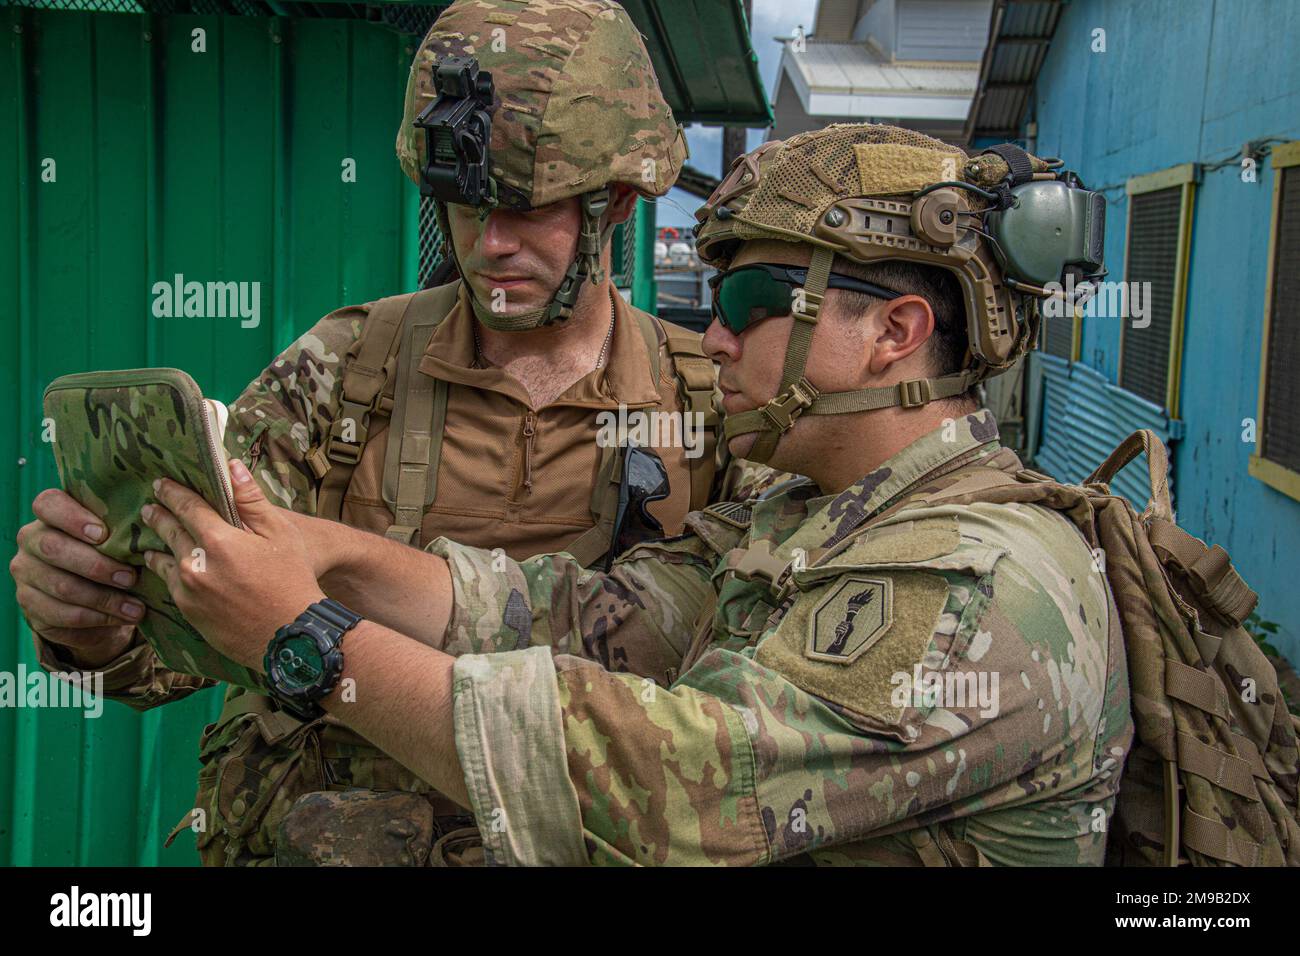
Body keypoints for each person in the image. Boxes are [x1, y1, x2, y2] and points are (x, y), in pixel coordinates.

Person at [131, 123, 1135, 865]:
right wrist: (319, 549)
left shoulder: (974, 584)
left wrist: (305, 640)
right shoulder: (798, 516)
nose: (720, 335)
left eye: (750, 299)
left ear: (896, 331)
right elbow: (569, 615)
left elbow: (673, 788)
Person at [12, 0, 781, 866]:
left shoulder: (720, 401)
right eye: (462, 203)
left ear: (619, 200)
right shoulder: (344, 368)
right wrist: (91, 625)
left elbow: (753, 698)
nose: (490, 244)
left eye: (528, 209)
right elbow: (183, 641)